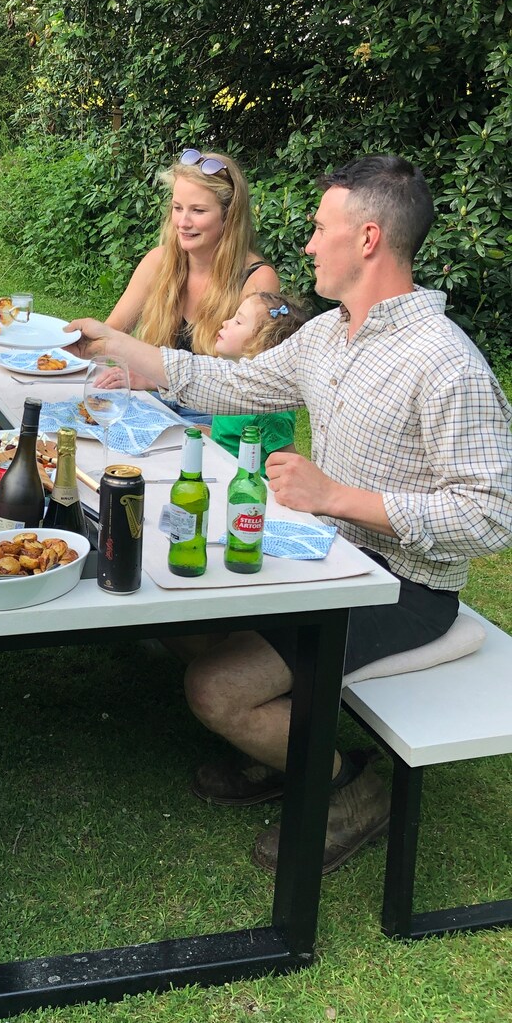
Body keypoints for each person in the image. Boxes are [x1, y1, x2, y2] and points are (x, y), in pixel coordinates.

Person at [68, 154, 512, 873]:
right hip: (325, 554)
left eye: (318, 227)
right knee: (182, 615)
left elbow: (492, 514)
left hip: (405, 587)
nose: (306, 244)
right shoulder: (334, 333)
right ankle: (286, 754)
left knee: (216, 688)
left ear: (366, 238)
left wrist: (337, 497)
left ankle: (349, 784)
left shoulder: (445, 363)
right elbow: (234, 382)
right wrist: (118, 345)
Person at [106, 148, 279, 424]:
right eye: (177, 208)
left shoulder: (257, 279)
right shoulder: (158, 262)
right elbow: (111, 331)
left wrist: (155, 380)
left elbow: (248, 383)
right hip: (151, 405)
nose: (183, 223)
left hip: (214, 420)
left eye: (197, 210)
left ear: (229, 216)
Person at [210, 291, 308, 474]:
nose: (225, 322)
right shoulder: (230, 380)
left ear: (260, 345)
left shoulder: (268, 407)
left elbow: (289, 463)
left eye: (238, 321)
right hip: (220, 474)